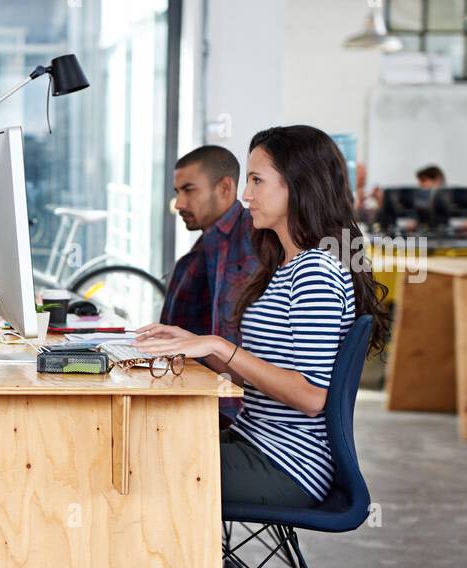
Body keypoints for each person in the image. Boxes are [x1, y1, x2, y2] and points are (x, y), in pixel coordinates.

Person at [135, 125, 390, 508]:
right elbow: (262, 373)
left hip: (287, 465)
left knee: (138, 467)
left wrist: (220, 345)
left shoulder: (315, 272)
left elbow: (310, 396)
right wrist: (189, 344)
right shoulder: (284, 265)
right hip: (254, 441)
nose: (245, 195)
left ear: (297, 185)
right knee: (136, 447)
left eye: (256, 180)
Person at [162, 144, 257, 421]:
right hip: (199, 392)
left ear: (225, 188)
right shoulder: (210, 242)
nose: (179, 203)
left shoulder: (251, 244)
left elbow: (229, 340)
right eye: (177, 192)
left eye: (189, 190)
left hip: (227, 410)